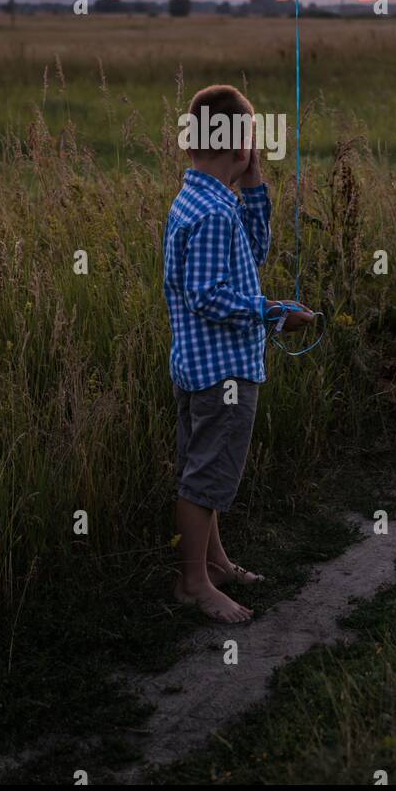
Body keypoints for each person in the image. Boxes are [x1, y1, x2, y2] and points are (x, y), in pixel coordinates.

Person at [163, 84, 314, 624]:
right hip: (220, 371)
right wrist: (272, 312)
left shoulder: (207, 200)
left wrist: (253, 184)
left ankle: (216, 562)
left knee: (201, 468)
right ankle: (193, 583)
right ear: (243, 140)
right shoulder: (211, 214)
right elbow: (209, 295)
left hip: (199, 366)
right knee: (206, 478)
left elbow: (250, 253)